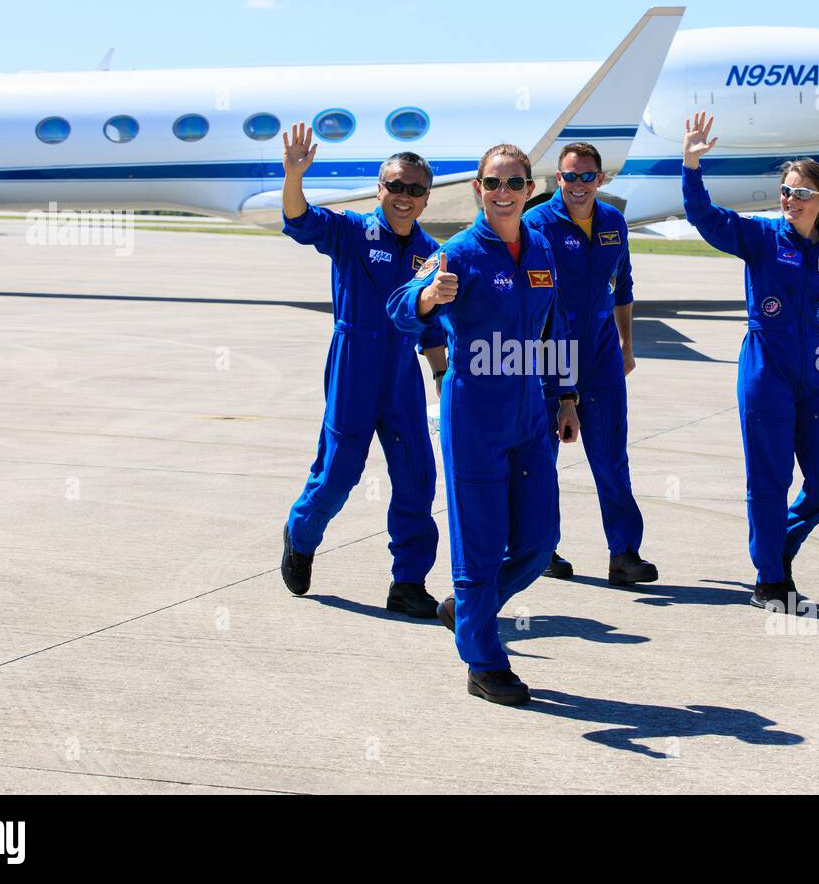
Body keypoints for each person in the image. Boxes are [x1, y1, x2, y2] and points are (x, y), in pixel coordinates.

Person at [388, 143, 580, 706]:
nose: (503, 193)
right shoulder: (458, 251)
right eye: (493, 184)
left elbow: (556, 328)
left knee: (539, 543)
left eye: (514, 184)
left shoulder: (541, 247)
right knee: (479, 543)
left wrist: (566, 397)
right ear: (479, 189)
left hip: (529, 411)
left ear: (528, 189)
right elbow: (400, 305)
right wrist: (428, 297)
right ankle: (482, 659)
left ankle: (464, 607)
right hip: (474, 413)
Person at [680, 111, 819, 613]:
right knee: (770, 478)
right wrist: (692, 167)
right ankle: (769, 578)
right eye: (785, 191)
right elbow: (705, 218)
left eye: (801, 193)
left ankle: (776, 547)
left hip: (814, 376)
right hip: (765, 371)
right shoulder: (762, 239)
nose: (790, 199)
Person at [279, 122, 448, 619]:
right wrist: (294, 176)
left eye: (415, 190)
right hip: (354, 362)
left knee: (417, 476)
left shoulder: (430, 254)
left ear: (425, 200)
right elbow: (300, 220)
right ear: (380, 188)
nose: (404, 196)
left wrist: (441, 377)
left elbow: (434, 327)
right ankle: (301, 533)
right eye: (395, 186)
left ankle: (408, 582)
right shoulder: (352, 232)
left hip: (401, 374)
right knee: (338, 472)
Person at [522, 142, 657, 585]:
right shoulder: (536, 224)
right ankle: (542, 549)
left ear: (601, 179)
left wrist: (627, 345)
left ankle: (624, 553)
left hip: (600, 353)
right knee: (541, 458)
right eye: (570, 177)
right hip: (550, 351)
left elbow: (624, 287)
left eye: (587, 177)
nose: (578, 185)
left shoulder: (614, 223)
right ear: (557, 179)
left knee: (611, 455)